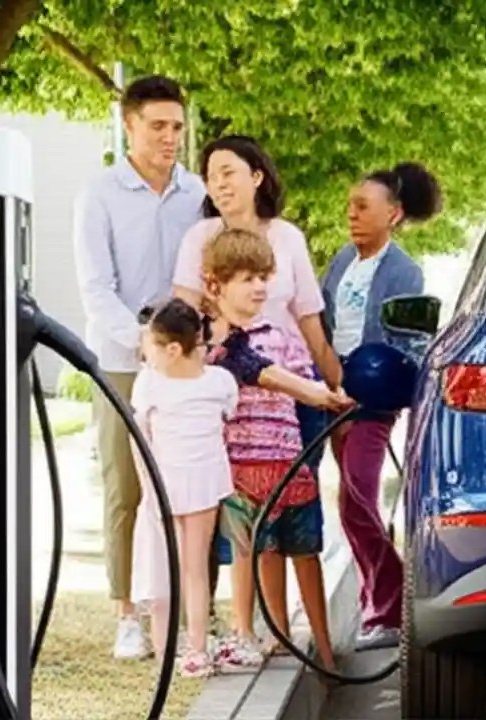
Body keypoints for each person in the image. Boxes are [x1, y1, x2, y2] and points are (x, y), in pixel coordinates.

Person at [172, 135, 342, 641]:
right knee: (251, 520)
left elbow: (309, 321)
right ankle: (270, 632)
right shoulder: (199, 237)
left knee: (295, 515)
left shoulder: (286, 236)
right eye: (211, 175)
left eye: (228, 171)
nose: (219, 183)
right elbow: (183, 316)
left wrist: (336, 387)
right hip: (235, 397)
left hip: (297, 392)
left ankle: (301, 635)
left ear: (257, 177)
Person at [73, 74, 206, 660]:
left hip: (189, 365)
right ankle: (126, 612)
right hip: (123, 361)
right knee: (125, 488)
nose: (170, 137)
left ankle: (186, 610)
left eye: (177, 126)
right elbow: (95, 288)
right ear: (128, 125)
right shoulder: (98, 195)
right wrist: (144, 342)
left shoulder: (198, 193)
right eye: (158, 126)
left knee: (188, 487)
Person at [202, 227, 342, 672]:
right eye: (247, 278)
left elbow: (299, 383)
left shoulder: (279, 336)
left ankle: (324, 648)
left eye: (264, 276)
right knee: (247, 550)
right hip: (239, 468)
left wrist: (326, 395)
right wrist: (321, 394)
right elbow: (256, 372)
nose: (260, 286)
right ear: (215, 285)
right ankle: (247, 633)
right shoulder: (213, 345)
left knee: (304, 551)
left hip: (288, 463)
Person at [320, 162, 441, 649]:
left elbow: (408, 339)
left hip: (372, 394)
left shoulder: (404, 269)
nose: (351, 214)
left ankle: (391, 608)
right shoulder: (340, 260)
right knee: (348, 506)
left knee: (360, 498)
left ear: (393, 214)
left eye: (362, 206)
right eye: (350, 205)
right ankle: (381, 601)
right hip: (332, 389)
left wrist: (373, 385)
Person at [129, 299, 238, 677]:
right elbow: (139, 436)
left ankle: (193, 647)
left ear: (173, 349)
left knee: (190, 566)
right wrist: (147, 484)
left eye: (151, 348)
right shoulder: (153, 384)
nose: (146, 355)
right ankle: (169, 650)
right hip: (170, 482)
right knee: (173, 568)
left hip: (198, 481)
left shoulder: (217, 382)